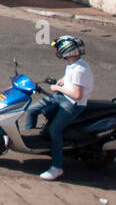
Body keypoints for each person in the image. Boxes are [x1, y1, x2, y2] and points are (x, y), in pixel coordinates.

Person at [24, 36, 94, 181]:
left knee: (55, 130)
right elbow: (71, 77)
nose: (56, 50)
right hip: (62, 97)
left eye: (58, 48)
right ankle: (32, 138)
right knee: (32, 110)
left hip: (73, 104)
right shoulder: (73, 63)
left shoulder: (80, 70)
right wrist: (62, 81)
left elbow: (77, 95)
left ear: (66, 50)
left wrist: (57, 88)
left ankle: (57, 167)